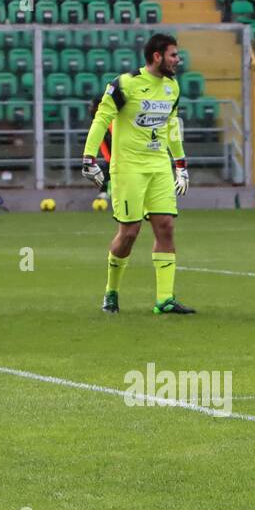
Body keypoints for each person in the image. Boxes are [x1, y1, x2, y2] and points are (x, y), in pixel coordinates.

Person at [81, 31, 193, 314]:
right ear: (157, 56)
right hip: (128, 168)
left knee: (166, 227)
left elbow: (171, 127)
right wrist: (89, 157)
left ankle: (164, 300)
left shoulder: (173, 87)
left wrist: (180, 164)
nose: (178, 60)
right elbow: (101, 119)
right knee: (129, 233)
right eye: (173, 55)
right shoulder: (125, 84)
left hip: (158, 167)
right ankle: (111, 292)